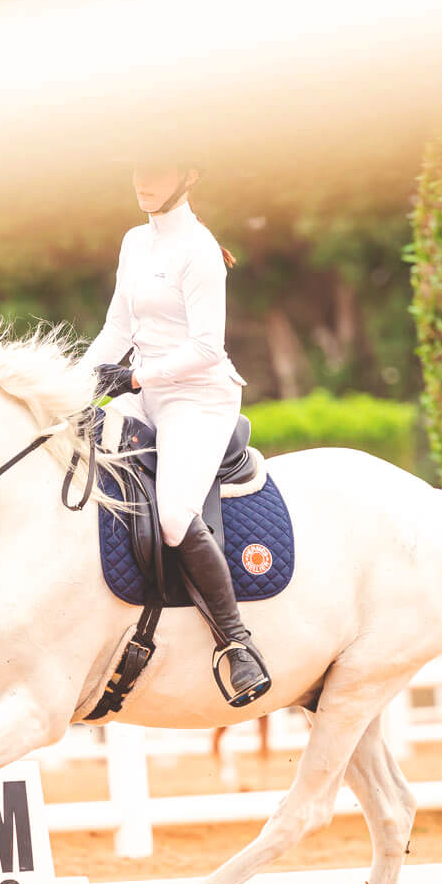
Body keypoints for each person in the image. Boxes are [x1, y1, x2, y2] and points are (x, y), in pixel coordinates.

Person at [83, 153, 272, 707]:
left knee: (172, 517)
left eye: (158, 170)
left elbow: (206, 347)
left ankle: (235, 643)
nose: (143, 180)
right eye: (137, 169)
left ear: (189, 176)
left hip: (198, 397)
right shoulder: (133, 242)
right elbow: (116, 327)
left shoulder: (200, 251)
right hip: (144, 392)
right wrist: (69, 385)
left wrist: (137, 376)